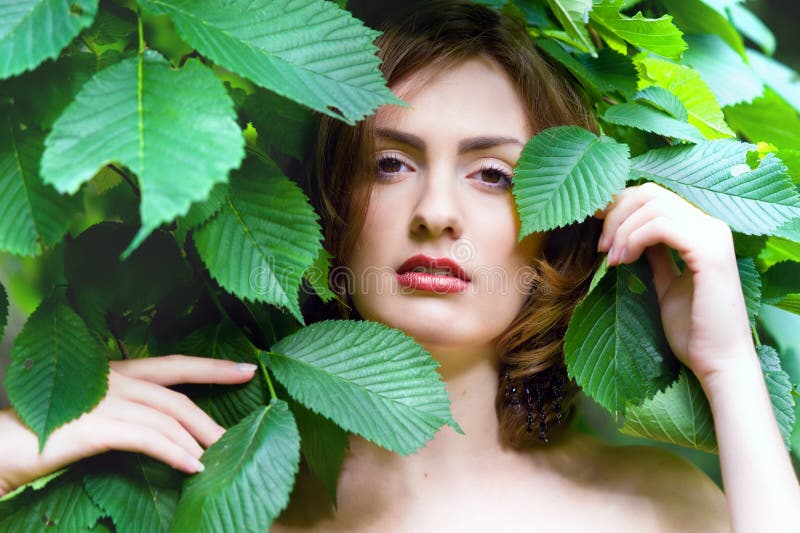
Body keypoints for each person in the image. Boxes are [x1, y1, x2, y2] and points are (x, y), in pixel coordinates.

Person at [0, 1, 797, 531]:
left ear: (564, 232)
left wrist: (727, 368)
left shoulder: (655, 506)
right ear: (327, 205)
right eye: (391, 163)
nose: (437, 211)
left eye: (494, 174)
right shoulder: (212, 504)